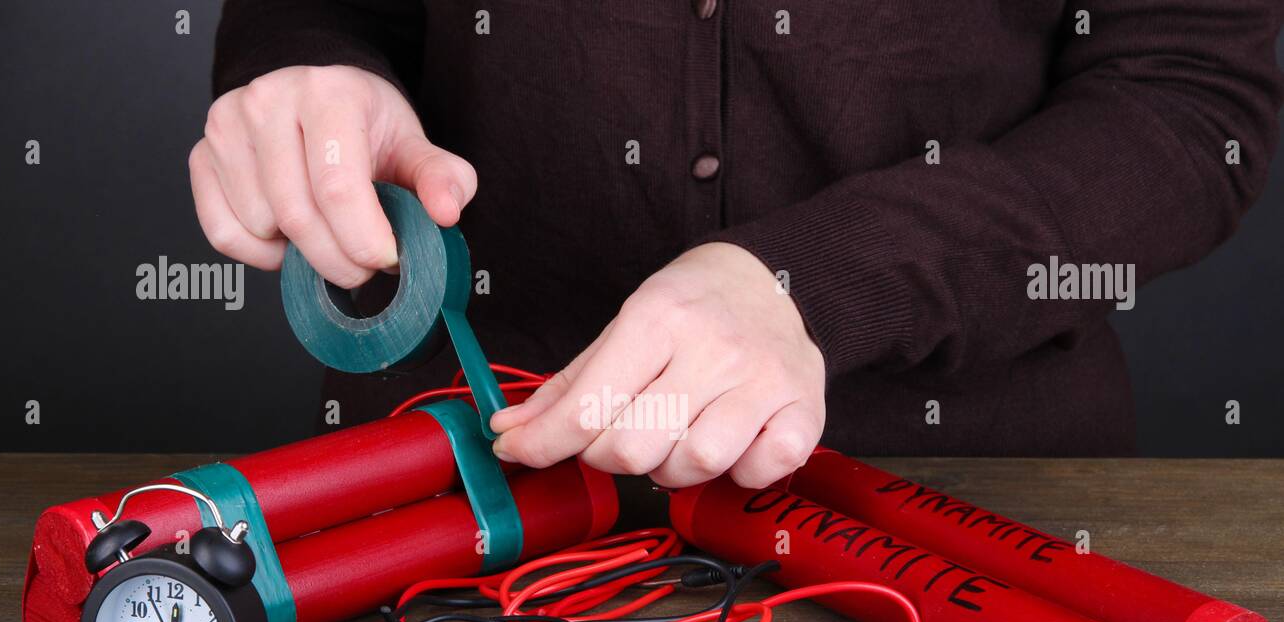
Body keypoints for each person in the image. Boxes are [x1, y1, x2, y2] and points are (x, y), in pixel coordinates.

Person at [193, 1, 1282, 488]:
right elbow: (318, 8)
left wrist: (817, 281)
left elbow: (1188, 97)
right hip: (460, 501)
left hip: (974, 533)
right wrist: (313, 78)